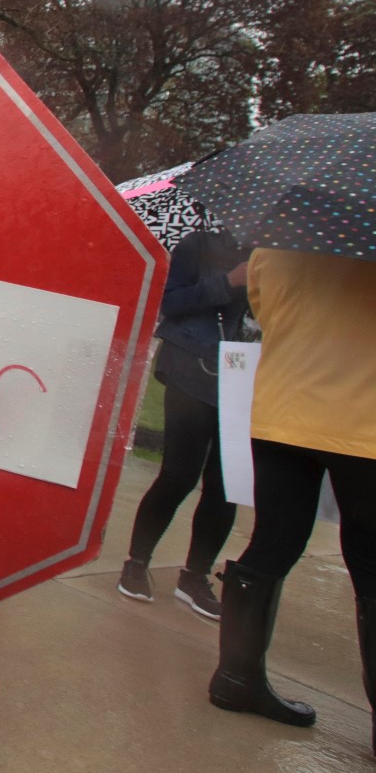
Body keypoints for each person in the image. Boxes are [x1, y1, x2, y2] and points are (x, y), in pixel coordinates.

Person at [209, 247, 376, 753]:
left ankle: (235, 680)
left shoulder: (275, 244)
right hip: (362, 422)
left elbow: (263, 310)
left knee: (273, 544)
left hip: (281, 413)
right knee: (371, 564)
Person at [117, 229, 246, 617]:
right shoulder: (198, 245)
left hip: (241, 377)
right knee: (179, 474)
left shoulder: (274, 256)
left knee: (226, 485)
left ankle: (195, 576)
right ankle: (136, 563)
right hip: (190, 369)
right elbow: (170, 303)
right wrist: (229, 282)